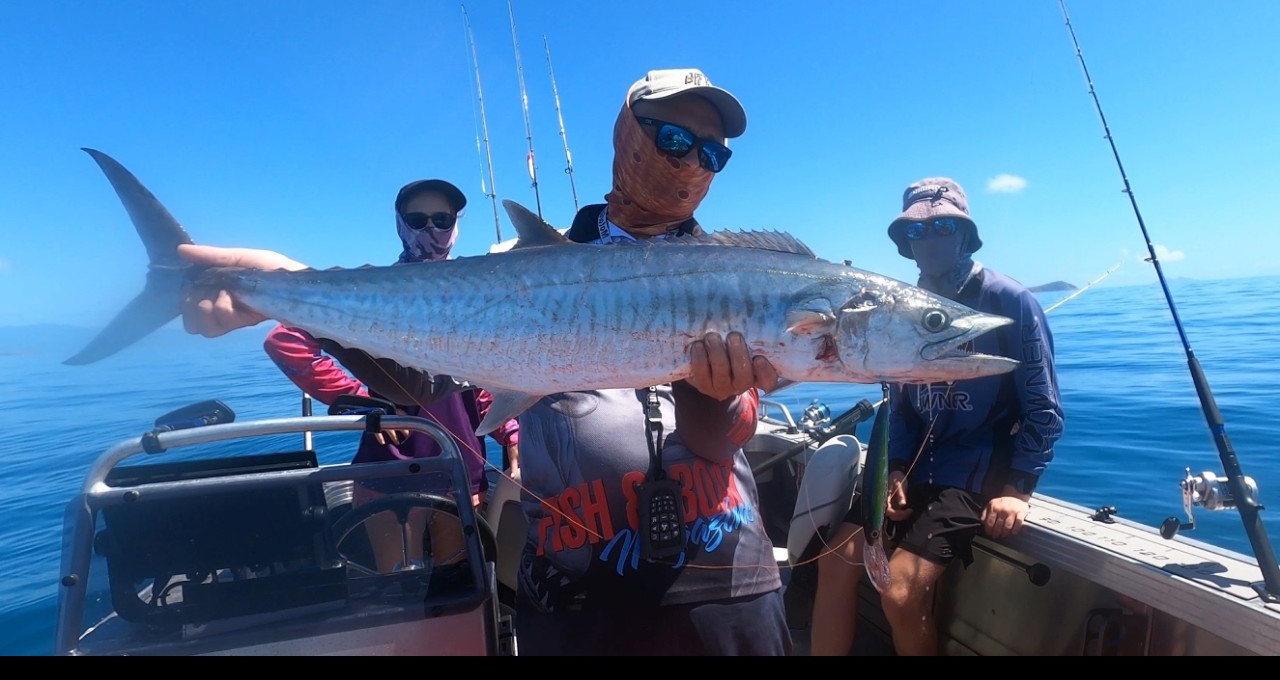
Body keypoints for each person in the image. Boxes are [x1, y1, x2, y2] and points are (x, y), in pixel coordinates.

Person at [177, 68, 792, 656]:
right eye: (675, 139)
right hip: (576, 593)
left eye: (712, 154)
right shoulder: (515, 267)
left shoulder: (745, 278)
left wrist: (712, 390)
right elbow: (414, 385)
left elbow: (720, 440)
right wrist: (285, 288)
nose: (691, 164)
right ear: (627, 133)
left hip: (729, 579)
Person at [808, 176, 1064, 656]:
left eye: (942, 226)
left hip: (973, 475)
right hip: (913, 469)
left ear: (964, 234)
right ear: (905, 243)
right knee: (835, 558)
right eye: (916, 231)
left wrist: (1017, 488)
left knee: (900, 593)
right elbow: (900, 402)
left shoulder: (1009, 301)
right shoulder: (899, 306)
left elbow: (1043, 405)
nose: (929, 239)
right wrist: (896, 467)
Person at [260, 179, 519, 572]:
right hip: (392, 469)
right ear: (400, 225)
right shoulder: (375, 291)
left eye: (441, 219)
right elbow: (285, 340)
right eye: (418, 220)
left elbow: (482, 378)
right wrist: (364, 403)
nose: (431, 230)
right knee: (399, 587)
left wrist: (509, 433)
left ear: (455, 224)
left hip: (462, 465)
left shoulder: (476, 290)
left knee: (459, 585)